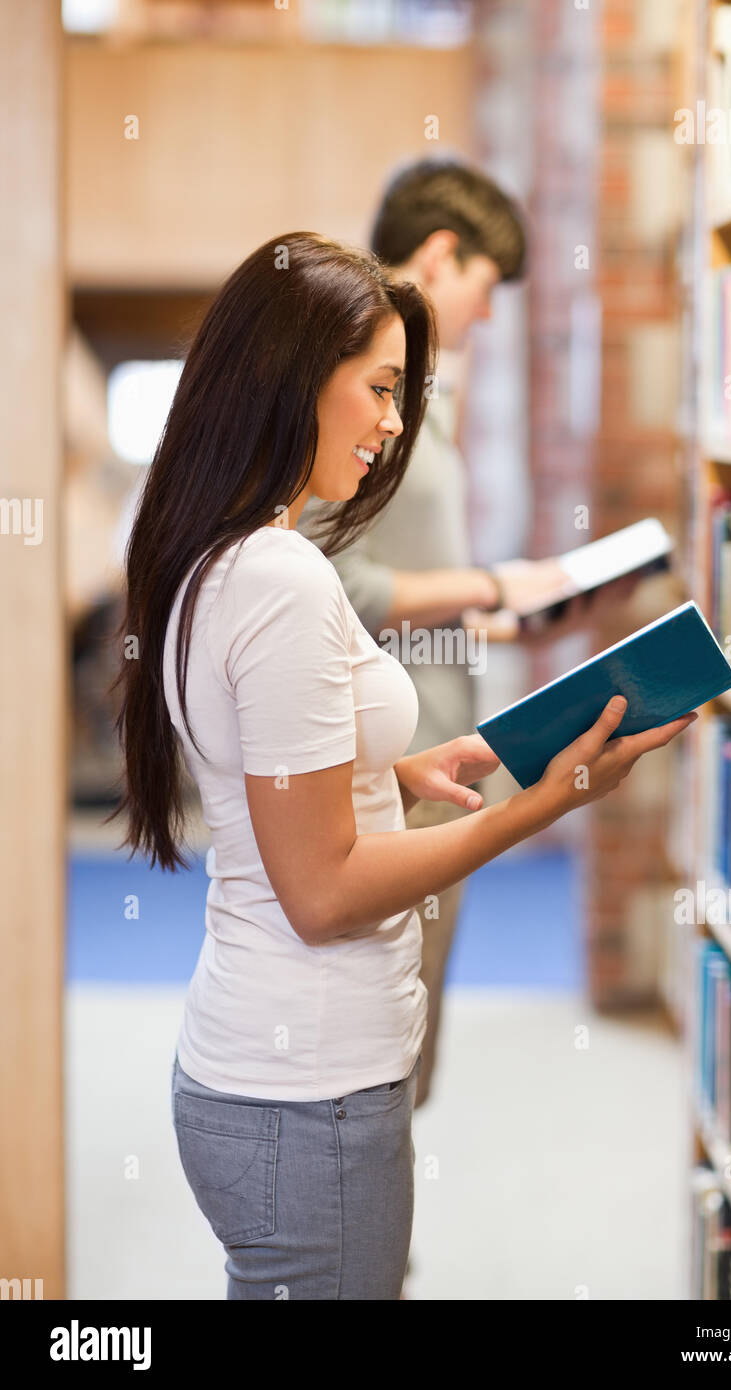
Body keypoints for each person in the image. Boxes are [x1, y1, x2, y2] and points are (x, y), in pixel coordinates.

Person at [108, 230, 696, 1301]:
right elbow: (322, 892)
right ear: (295, 376)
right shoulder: (279, 576)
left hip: (270, 1078)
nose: (391, 423)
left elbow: (275, 770)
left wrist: (416, 764)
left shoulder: (223, 553)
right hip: (305, 1091)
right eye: (378, 388)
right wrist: (542, 803)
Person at [299, 157, 633, 1109]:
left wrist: (505, 617)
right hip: (388, 761)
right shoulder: (352, 382)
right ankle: (362, 1256)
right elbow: (323, 584)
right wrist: (488, 581)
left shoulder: (410, 387)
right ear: (442, 257)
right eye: (486, 291)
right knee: (384, 1059)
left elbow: (403, 591)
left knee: (412, 1046)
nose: (487, 315)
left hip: (436, 748)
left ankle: (378, 1255)